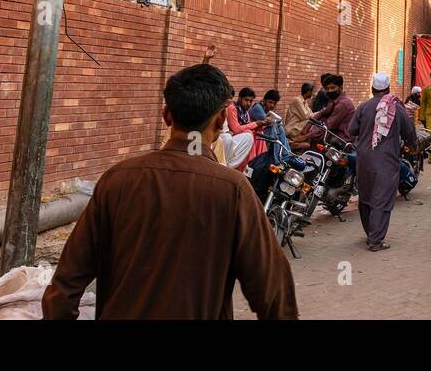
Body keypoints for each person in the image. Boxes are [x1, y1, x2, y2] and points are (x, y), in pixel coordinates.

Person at [42, 63, 298, 319]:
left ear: (166, 116)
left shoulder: (117, 180)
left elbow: (66, 283)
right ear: (221, 119)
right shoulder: (233, 189)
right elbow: (273, 290)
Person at [346, 73, 417, 251]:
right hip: (386, 161)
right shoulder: (396, 108)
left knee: (366, 196)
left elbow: (352, 130)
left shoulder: (363, 107)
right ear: (388, 89)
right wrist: (412, 146)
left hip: (363, 160)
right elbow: (409, 133)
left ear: (372, 89)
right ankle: (375, 240)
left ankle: (371, 232)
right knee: (382, 199)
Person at [300, 74, 354, 146]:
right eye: (327, 88)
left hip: (341, 140)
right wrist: (308, 126)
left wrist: (305, 137)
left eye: (333, 88)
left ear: (340, 87)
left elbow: (328, 126)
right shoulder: (333, 100)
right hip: (332, 135)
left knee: (312, 144)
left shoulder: (343, 103)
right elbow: (322, 112)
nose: (330, 91)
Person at [223, 87, 264, 169]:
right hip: (229, 139)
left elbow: (247, 124)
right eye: (246, 100)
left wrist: (260, 125)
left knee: (259, 133)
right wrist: (255, 124)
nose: (248, 103)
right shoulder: (232, 108)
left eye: (251, 101)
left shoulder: (245, 111)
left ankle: (256, 163)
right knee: (249, 134)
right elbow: (236, 129)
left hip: (236, 138)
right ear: (239, 98)